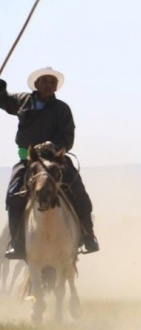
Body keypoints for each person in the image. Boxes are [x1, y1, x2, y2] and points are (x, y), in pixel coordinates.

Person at [0, 67, 99, 258]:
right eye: (44, 81)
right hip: (28, 161)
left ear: (56, 87)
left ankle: (88, 235)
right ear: (36, 84)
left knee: (78, 191)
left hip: (55, 161)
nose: (48, 85)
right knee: (13, 196)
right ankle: (17, 243)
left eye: (52, 82)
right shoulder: (22, 100)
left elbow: (67, 137)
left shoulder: (62, 109)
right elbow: (3, 100)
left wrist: (53, 146)